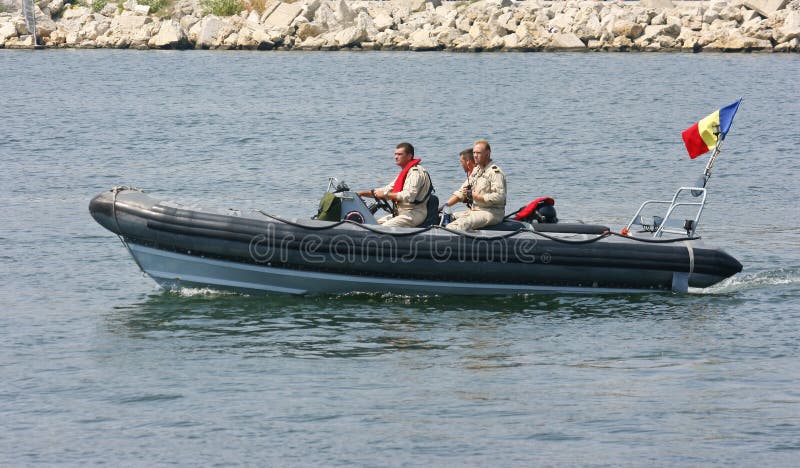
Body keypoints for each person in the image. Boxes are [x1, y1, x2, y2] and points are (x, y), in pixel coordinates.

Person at [357, 142, 432, 227]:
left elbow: (409, 195)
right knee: (372, 224)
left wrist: (385, 194)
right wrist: (361, 193)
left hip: (414, 213)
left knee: (382, 228)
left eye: (400, 154)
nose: (396, 157)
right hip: (401, 213)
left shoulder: (416, 173)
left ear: (409, 156)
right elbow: (387, 189)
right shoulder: (405, 173)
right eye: (395, 154)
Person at [446, 139, 506, 231]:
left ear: (488, 153)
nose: (475, 155)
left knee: (455, 226)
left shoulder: (495, 172)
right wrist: (444, 207)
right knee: (447, 218)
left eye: (478, 153)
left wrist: (478, 197)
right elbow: (461, 191)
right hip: (475, 210)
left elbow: (499, 197)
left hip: (491, 212)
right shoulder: (476, 170)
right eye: (474, 153)